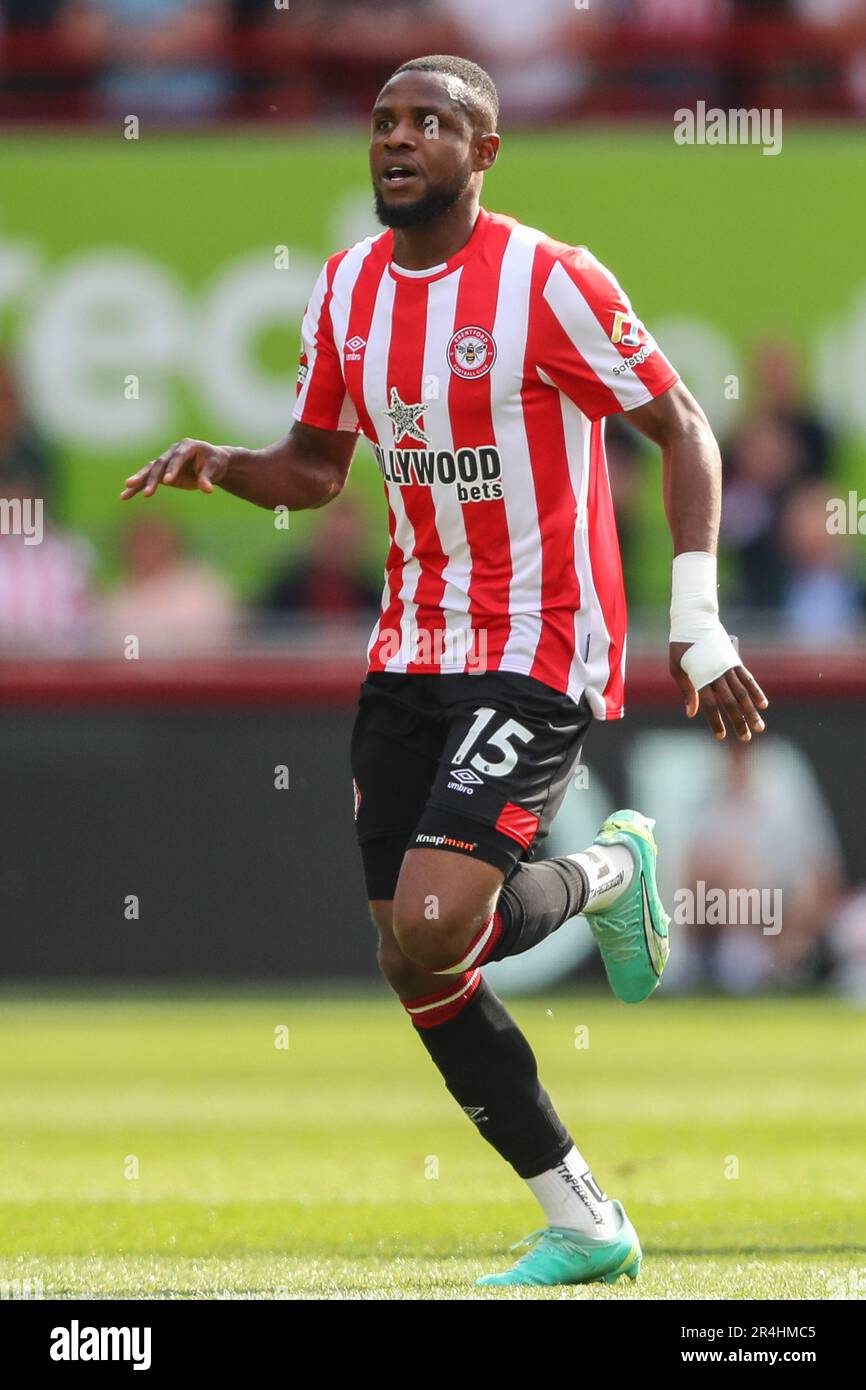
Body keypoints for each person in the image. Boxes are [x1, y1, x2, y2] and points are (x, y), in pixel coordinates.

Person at [120, 55, 768, 1288]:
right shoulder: (350, 289)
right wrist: (219, 463)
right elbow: (316, 467)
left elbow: (681, 422)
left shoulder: (550, 282)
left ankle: (608, 867)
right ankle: (584, 1220)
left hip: (537, 643)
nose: (398, 140)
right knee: (408, 955)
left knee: (436, 920)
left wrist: (697, 620)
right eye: (383, 122)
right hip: (410, 647)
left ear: (485, 154)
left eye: (432, 123)